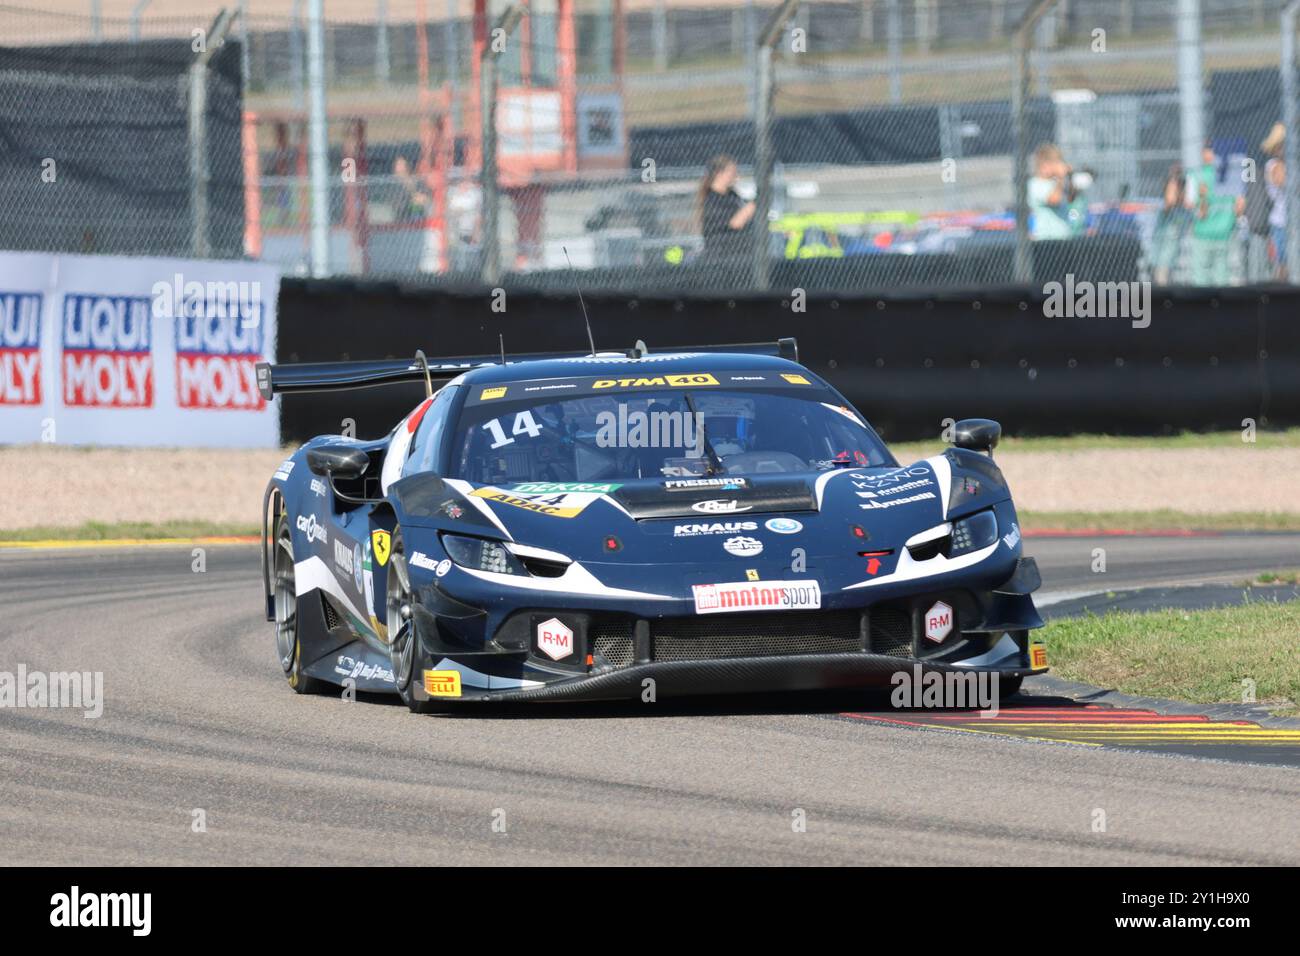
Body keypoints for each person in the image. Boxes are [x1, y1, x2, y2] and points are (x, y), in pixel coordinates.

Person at [1186, 143, 1243, 286]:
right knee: (1222, 276)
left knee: (1201, 278)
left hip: (1202, 234)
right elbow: (1239, 205)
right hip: (1225, 232)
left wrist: (1204, 199)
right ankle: (1222, 307)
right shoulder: (1229, 175)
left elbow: (1190, 205)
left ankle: (1202, 307)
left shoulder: (1196, 174)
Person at [697, 155, 756, 272]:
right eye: (732, 173)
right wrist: (755, 204)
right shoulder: (712, 199)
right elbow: (735, 222)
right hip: (722, 262)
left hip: (741, 258)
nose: (737, 176)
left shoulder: (732, 195)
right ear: (719, 173)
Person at [1027, 143, 1086, 240]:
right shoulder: (1034, 184)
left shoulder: (1055, 183)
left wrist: (1070, 177)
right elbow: (1054, 200)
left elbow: (1071, 199)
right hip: (1046, 240)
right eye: (1056, 163)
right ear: (1044, 165)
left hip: (1064, 238)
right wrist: (1061, 177)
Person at [1150, 164, 1190, 285]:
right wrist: (1173, 178)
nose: (1178, 192)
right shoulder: (1165, 211)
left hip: (1179, 262)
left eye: (1180, 189)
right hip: (1162, 264)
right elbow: (1169, 202)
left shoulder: (1185, 211)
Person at [1262, 122, 1288, 280]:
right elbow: (1282, 181)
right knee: (1283, 264)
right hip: (1281, 223)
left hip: (1292, 223)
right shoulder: (1273, 165)